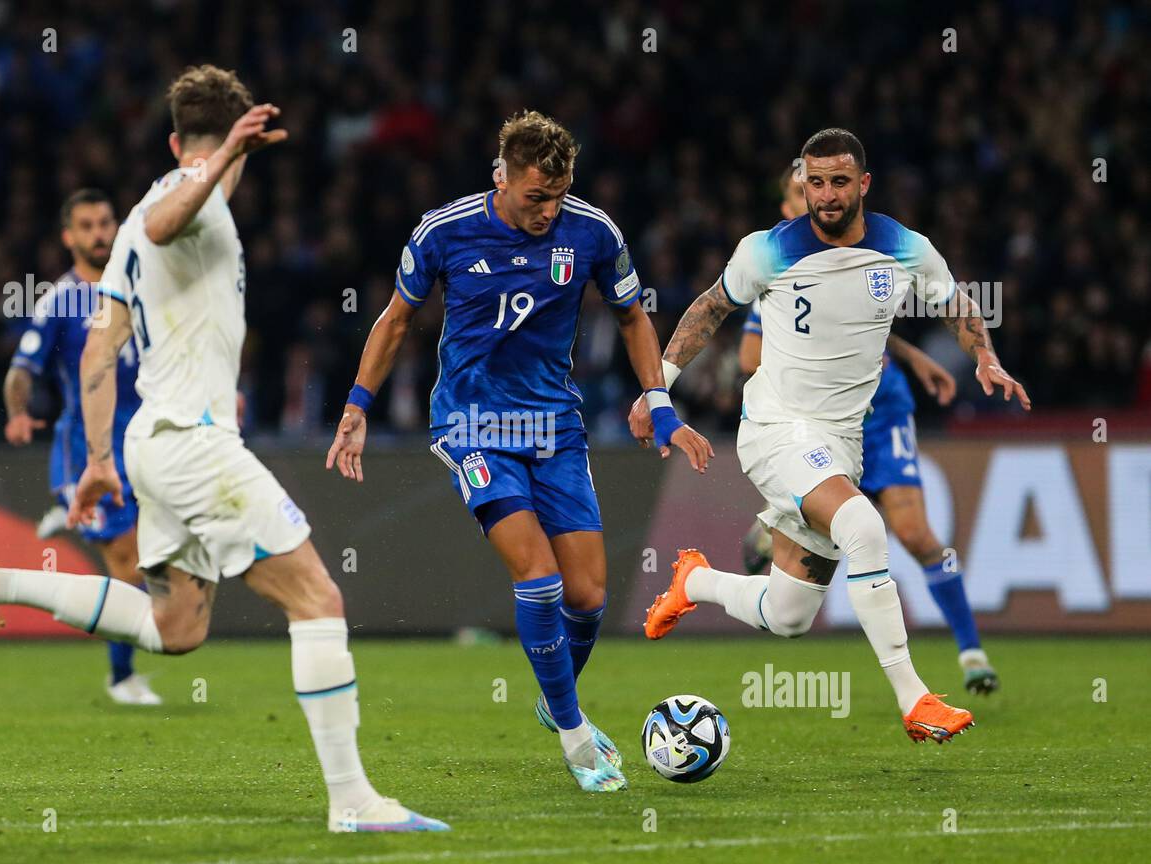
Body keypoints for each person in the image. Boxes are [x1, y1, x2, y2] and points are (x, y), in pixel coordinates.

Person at [0, 65, 446, 832]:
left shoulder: (126, 232)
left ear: (170, 135)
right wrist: (224, 157)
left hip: (149, 442)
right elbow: (168, 220)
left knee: (176, 629)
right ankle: (354, 802)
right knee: (317, 599)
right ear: (218, 147)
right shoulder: (176, 203)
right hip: (191, 444)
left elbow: (99, 356)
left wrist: (97, 461)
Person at [326, 110, 712, 791]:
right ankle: (575, 738)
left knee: (589, 597)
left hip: (554, 428)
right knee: (539, 578)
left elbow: (631, 316)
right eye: (536, 196)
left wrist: (659, 403)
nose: (548, 210)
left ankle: (553, 697)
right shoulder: (443, 232)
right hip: (471, 426)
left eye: (558, 196)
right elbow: (394, 320)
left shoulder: (592, 232)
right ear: (500, 176)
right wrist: (357, 406)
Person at [635, 129, 1029, 743]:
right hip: (776, 430)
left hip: (842, 442)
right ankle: (915, 699)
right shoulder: (768, 251)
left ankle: (696, 581)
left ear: (863, 184)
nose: (825, 195)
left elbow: (956, 304)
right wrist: (657, 389)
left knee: (789, 615)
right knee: (865, 526)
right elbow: (708, 310)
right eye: (814, 182)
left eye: (839, 182)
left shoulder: (905, 248)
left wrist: (985, 357)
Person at [737, 167, 999, 693]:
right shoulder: (779, 265)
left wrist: (910, 355)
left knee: (916, 534)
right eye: (797, 194)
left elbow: (869, 329)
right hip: (815, 425)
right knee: (829, 551)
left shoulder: (865, 250)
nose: (807, 203)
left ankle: (971, 654)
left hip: (883, 411)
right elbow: (749, 356)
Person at [4, 188, 160, 705]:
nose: (99, 234)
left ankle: (62, 512)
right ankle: (122, 677)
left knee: (154, 560)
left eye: (105, 222)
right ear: (69, 236)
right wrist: (18, 411)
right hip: (89, 451)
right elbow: (21, 370)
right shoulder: (60, 299)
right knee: (129, 562)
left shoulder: (142, 285)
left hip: (150, 445)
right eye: (87, 226)